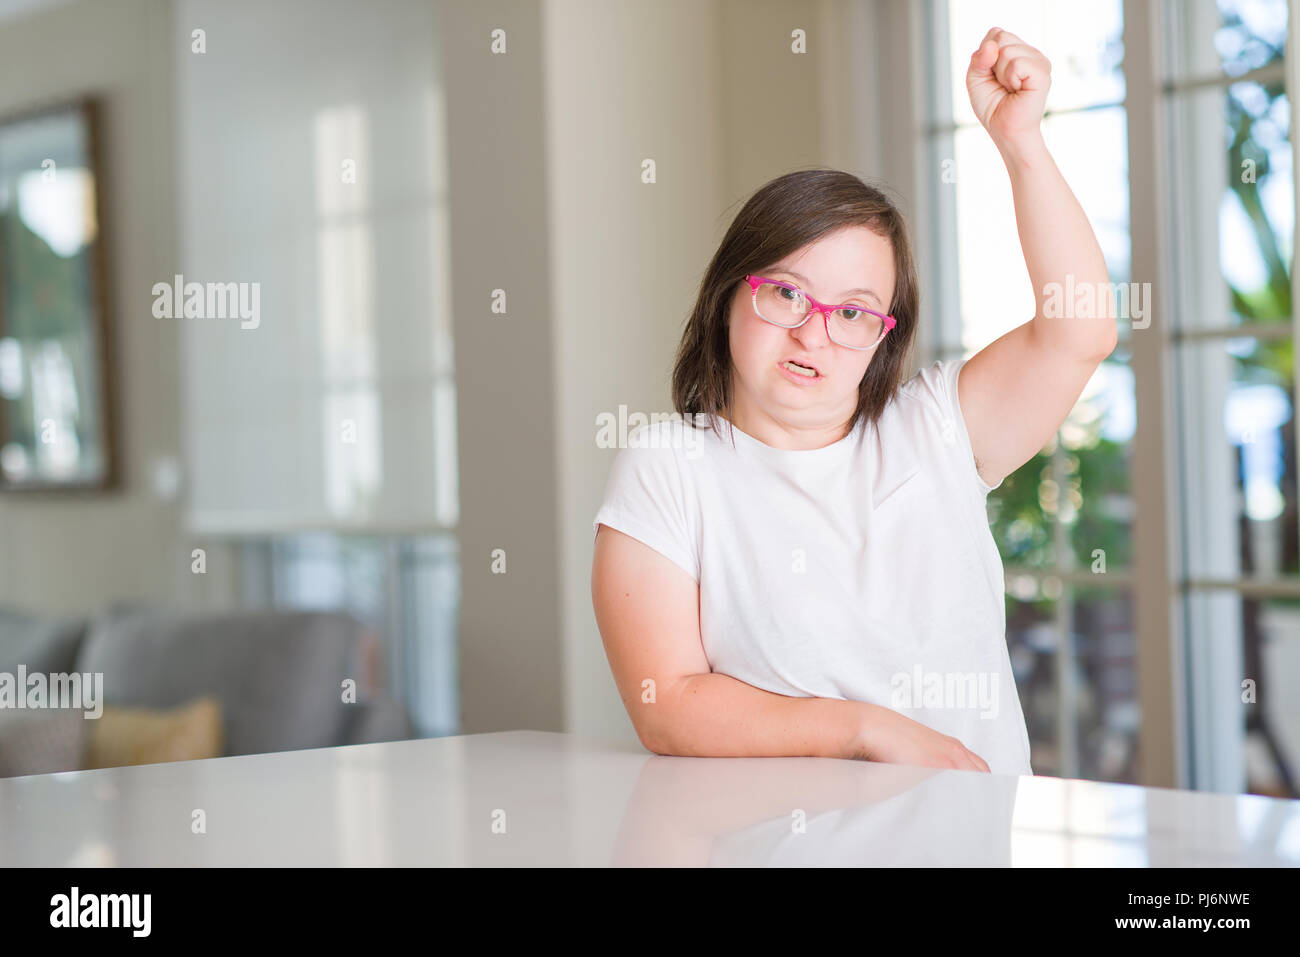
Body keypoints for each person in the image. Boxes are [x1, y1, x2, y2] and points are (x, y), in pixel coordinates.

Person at [591, 28, 1117, 775]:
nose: (814, 333)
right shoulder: (671, 465)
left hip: (974, 843)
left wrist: (1020, 142)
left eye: (854, 311)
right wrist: (865, 730)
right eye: (785, 293)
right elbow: (666, 701)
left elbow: (1080, 333)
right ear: (727, 296)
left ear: (883, 337)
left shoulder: (937, 428)